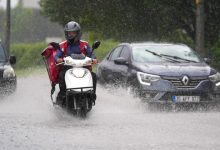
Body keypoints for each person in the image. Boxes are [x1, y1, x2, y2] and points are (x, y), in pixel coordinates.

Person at [53, 21, 97, 104]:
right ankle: (63, 94)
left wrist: (93, 59)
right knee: (62, 75)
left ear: (78, 33)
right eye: (69, 33)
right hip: (68, 68)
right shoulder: (62, 45)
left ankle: (92, 95)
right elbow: (57, 56)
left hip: (83, 67)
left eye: (73, 32)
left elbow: (91, 54)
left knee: (93, 76)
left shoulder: (85, 44)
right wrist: (58, 59)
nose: (70, 35)